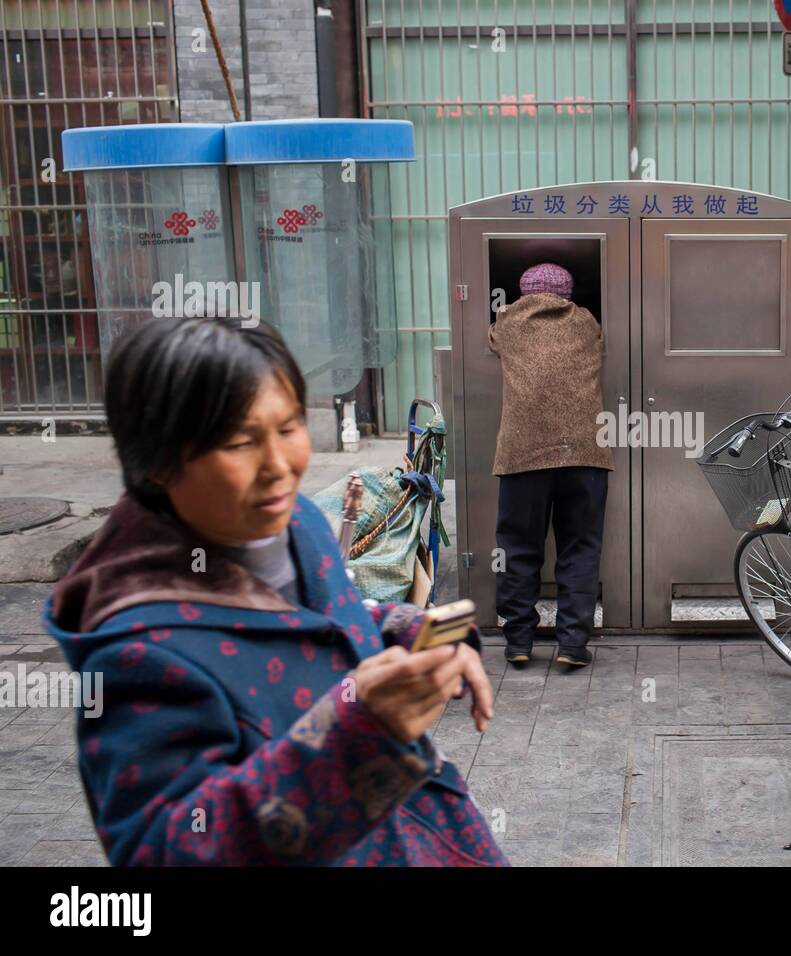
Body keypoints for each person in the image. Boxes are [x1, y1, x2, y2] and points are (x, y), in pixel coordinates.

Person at [45, 316, 506, 867]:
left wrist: (414, 633)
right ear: (157, 462)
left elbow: (323, 621)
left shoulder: (299, 524)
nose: (279, 467)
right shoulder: (135, 653)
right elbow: (165, 852)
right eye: (241, 441)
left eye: (288, 428)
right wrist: (357, 736)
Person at [489, 262, 613, 668]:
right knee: (579, 548)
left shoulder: (507, 323)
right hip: (584, 455)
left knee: (518, 548)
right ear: (568, 292)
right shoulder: (588, 324)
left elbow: (491, 341)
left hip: (522, 457)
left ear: (524, 293)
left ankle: (519, 642)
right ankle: (573, 645)